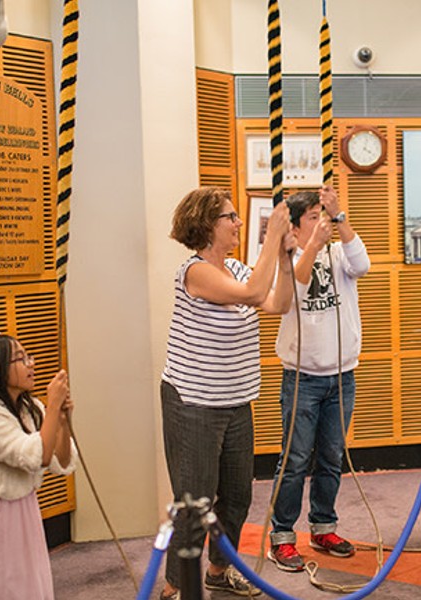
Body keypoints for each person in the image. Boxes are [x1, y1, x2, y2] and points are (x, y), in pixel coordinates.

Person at [160, 187, 295, 599]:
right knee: (194, 503)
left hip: (236, 400)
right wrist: (272, 236)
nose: (238, 223)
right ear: (205, 226)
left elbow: (277, 303)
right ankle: (173, 587)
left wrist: (286, 261)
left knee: (237, 497)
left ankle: (219, 571)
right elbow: (255, 294)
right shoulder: (195, 272)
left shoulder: (236, 268)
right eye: (230, 217)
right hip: (194, 404)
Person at [267, 186, 370, 571]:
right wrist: (310, 244)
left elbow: (363, 266)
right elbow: (296, 287)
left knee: (330, 456)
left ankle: (323, 525)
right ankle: (282, 534)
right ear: (294, 225)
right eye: (313, 216)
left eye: (321, 214)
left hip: (342, 375)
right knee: (294, 460)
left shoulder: (339, 249)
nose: (321, 221)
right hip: (302, 377)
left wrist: (340, 216)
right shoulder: (286, 255)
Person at [0, 334, 76, 599]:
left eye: (28, 356)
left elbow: (62, 460)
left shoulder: (30, 407)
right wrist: (54, 405)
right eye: (20, 359)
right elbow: (38, 457)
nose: (30, 364)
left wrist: (63, 420)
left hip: (23, 508)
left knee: (29, 584)